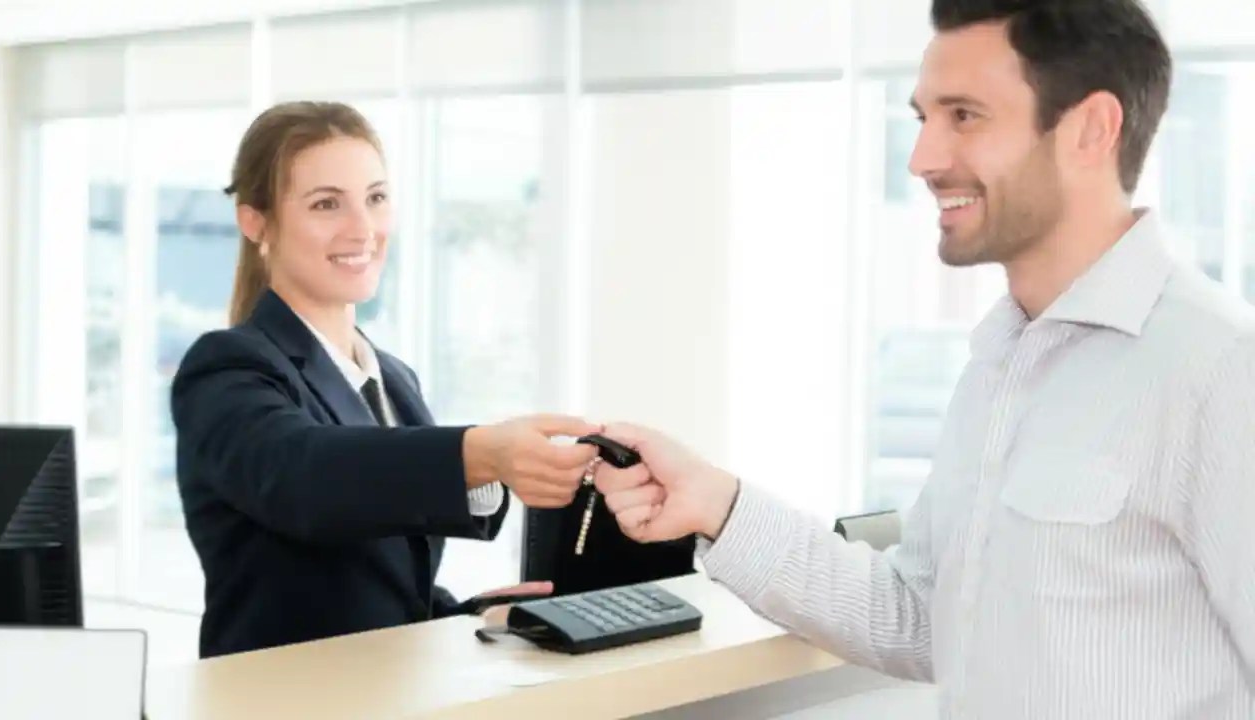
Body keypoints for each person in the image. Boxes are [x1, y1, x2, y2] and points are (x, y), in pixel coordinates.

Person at [595, 1, 1255, 717]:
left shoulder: (1221, 370)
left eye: (964, 116)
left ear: (1091, 129)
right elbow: (922, 617)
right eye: (923, 118)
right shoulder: (1000, 363)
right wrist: (718, 506)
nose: (923, 160)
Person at [171, 101, 601, 658]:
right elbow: (306, 478)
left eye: (375, 198)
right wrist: (484, 453)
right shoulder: (226, 368)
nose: (363, 229)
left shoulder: (394, 380)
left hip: (382, 691)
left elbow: (381, 588)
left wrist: (478, 613)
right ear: (256, 223)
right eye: (327, 204)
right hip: (279, 696)